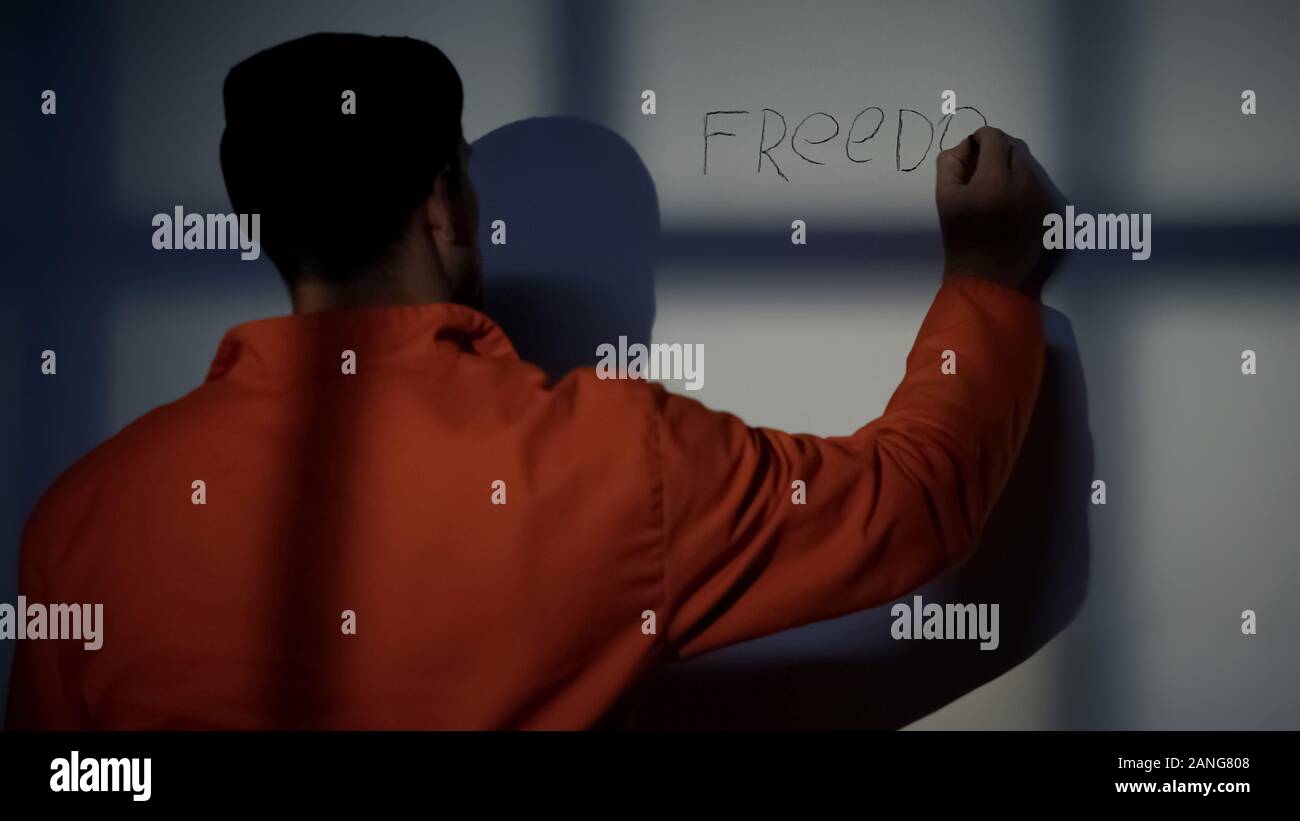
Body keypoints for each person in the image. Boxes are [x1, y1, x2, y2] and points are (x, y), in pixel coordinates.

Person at [6, 33, 1055, 729]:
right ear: (442, 209)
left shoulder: (82, 518)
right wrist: (982, 280)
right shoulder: (616, 457)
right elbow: (911, 500)